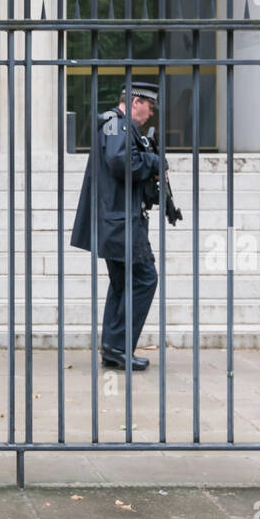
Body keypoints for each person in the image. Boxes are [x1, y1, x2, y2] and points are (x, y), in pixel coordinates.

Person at [69, 81, 164, 372]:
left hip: (117, 220)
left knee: (123, 283)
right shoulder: (117, 125)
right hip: (121, 222)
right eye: (150, 107)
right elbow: (122, 161)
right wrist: (155, 160)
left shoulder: (114, 125)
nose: (151, 114)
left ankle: (113, 349)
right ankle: (120, 347)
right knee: (145, 278)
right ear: (136, 101)